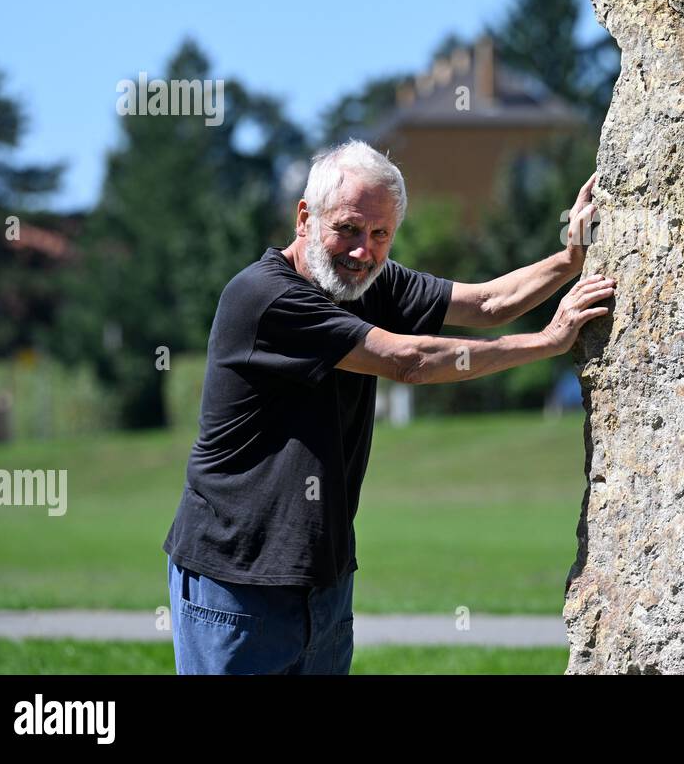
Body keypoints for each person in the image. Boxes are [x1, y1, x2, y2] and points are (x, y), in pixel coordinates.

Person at [162, 139, 615, 674]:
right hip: (235, 584)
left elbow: (489, 303)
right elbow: (409, 361)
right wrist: (546, 342)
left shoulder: (367, 282)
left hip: (323, 581)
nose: (364, 251)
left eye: (380, 235)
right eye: (348, 229)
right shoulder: (264, 297)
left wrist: (570, 257)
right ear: (305, 217)